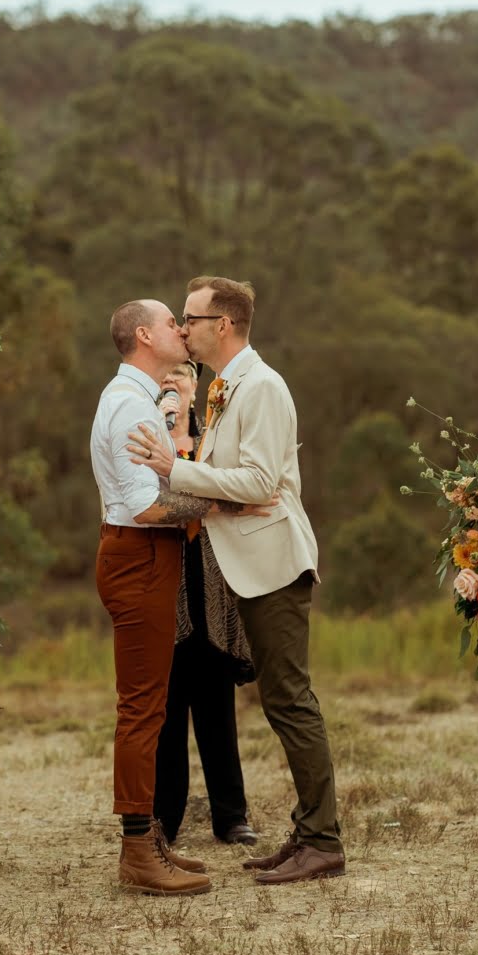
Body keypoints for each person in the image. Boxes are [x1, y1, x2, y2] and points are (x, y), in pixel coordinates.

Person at [128, 277, 345, 884]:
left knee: (291, 701)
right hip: (250, 566)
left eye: (190, 317)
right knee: (281, 701)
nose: (182, 327)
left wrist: (176, 468)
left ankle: (323, 841)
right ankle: (308, 831)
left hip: (274, 564)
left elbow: (260, 483)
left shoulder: (263, 387)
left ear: (221, 325)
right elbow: (243, 485)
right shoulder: (228, 386)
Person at [90, 298, 274, 896]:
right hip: (140, 555)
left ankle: (152, 842)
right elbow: (147, 505)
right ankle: (139, 851)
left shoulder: (139, 398)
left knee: (149, 705)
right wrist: (228, 504)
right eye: (172, 321)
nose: (181, 328)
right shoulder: (128, 404)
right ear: (145, 336)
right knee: (144, 709)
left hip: (148, 556)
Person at [154, 360, 258, 847]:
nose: (172, 380)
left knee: (218, 708)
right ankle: (164, 818)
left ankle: (231, 816)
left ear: (196, 385)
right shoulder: (146, 435)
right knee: (167, 712)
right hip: (165, 584)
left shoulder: (214, 437)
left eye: (181, 372)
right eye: (165, 373)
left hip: (213, 582)